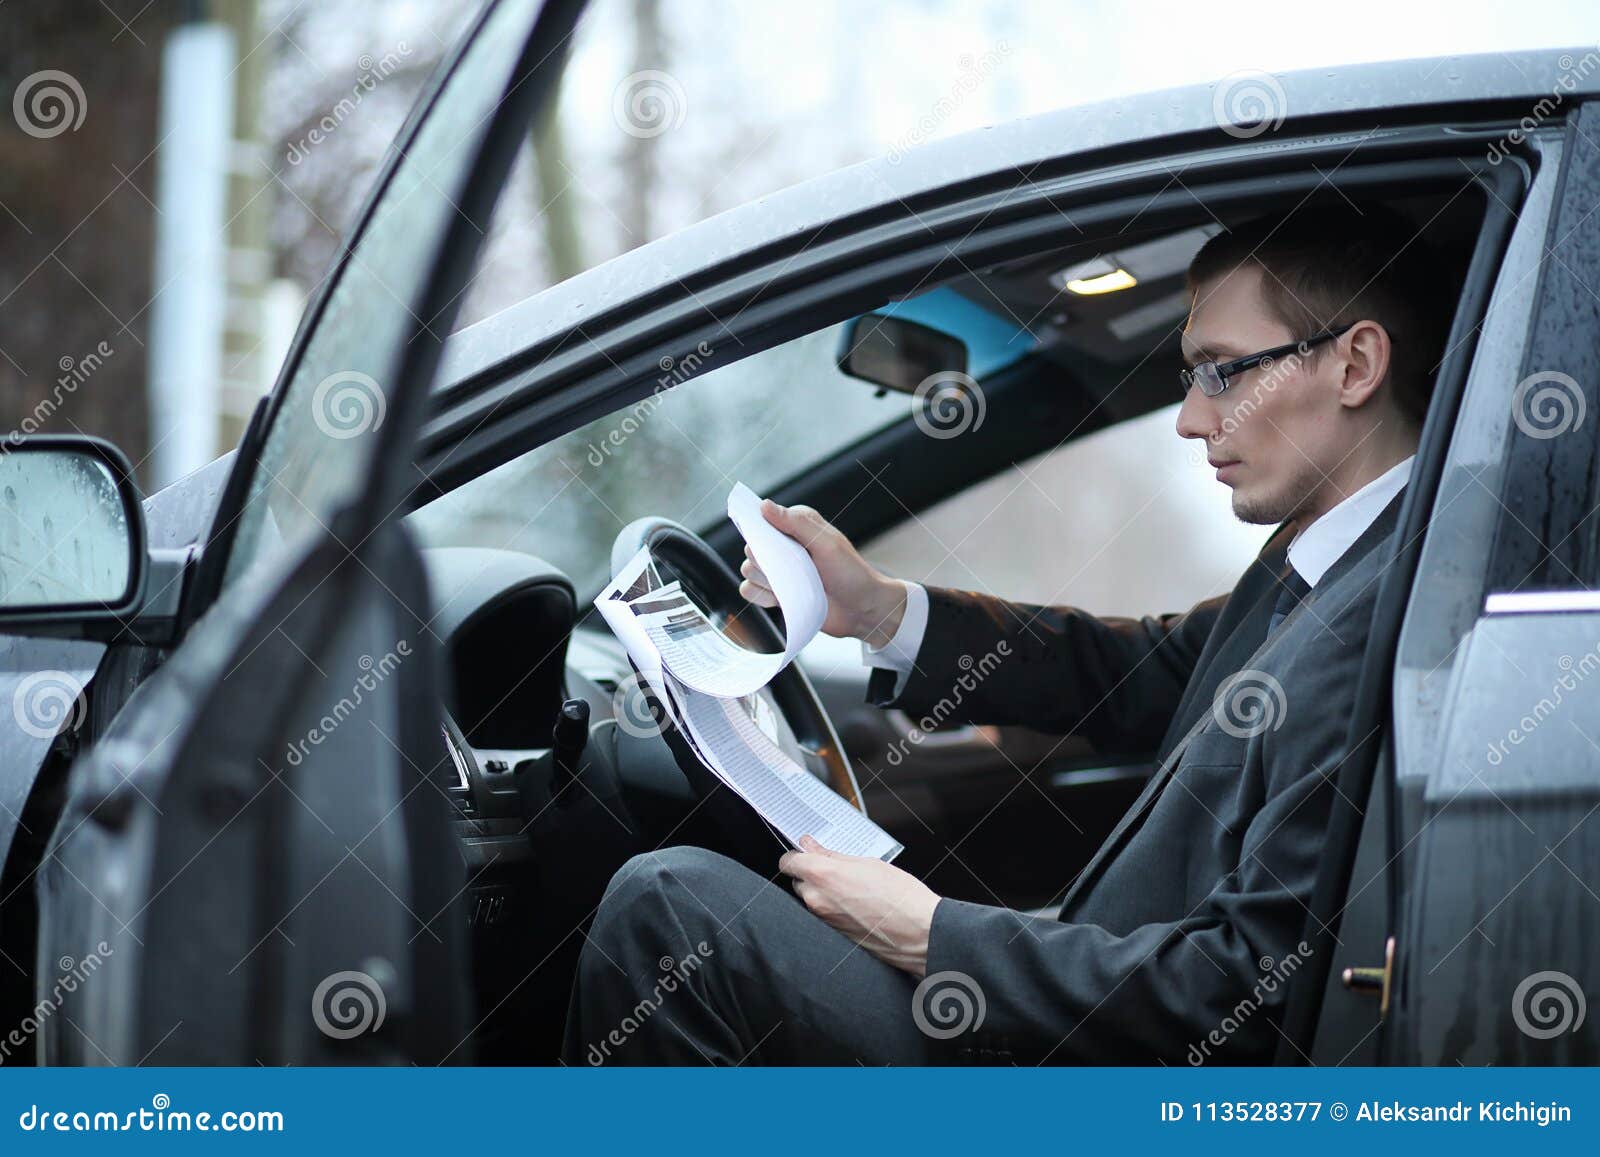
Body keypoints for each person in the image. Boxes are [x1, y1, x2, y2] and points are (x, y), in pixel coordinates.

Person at [563, 203, 1450, 1065]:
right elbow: (1133, 670)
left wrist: (929, 933)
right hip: (1069, 1009)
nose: (1190, 416)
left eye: (1220, 370)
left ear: (1355, 364)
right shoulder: (1319, 564)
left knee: (668, 907)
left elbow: (1240, 992)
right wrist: (876, 608)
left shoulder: (1384, 616)